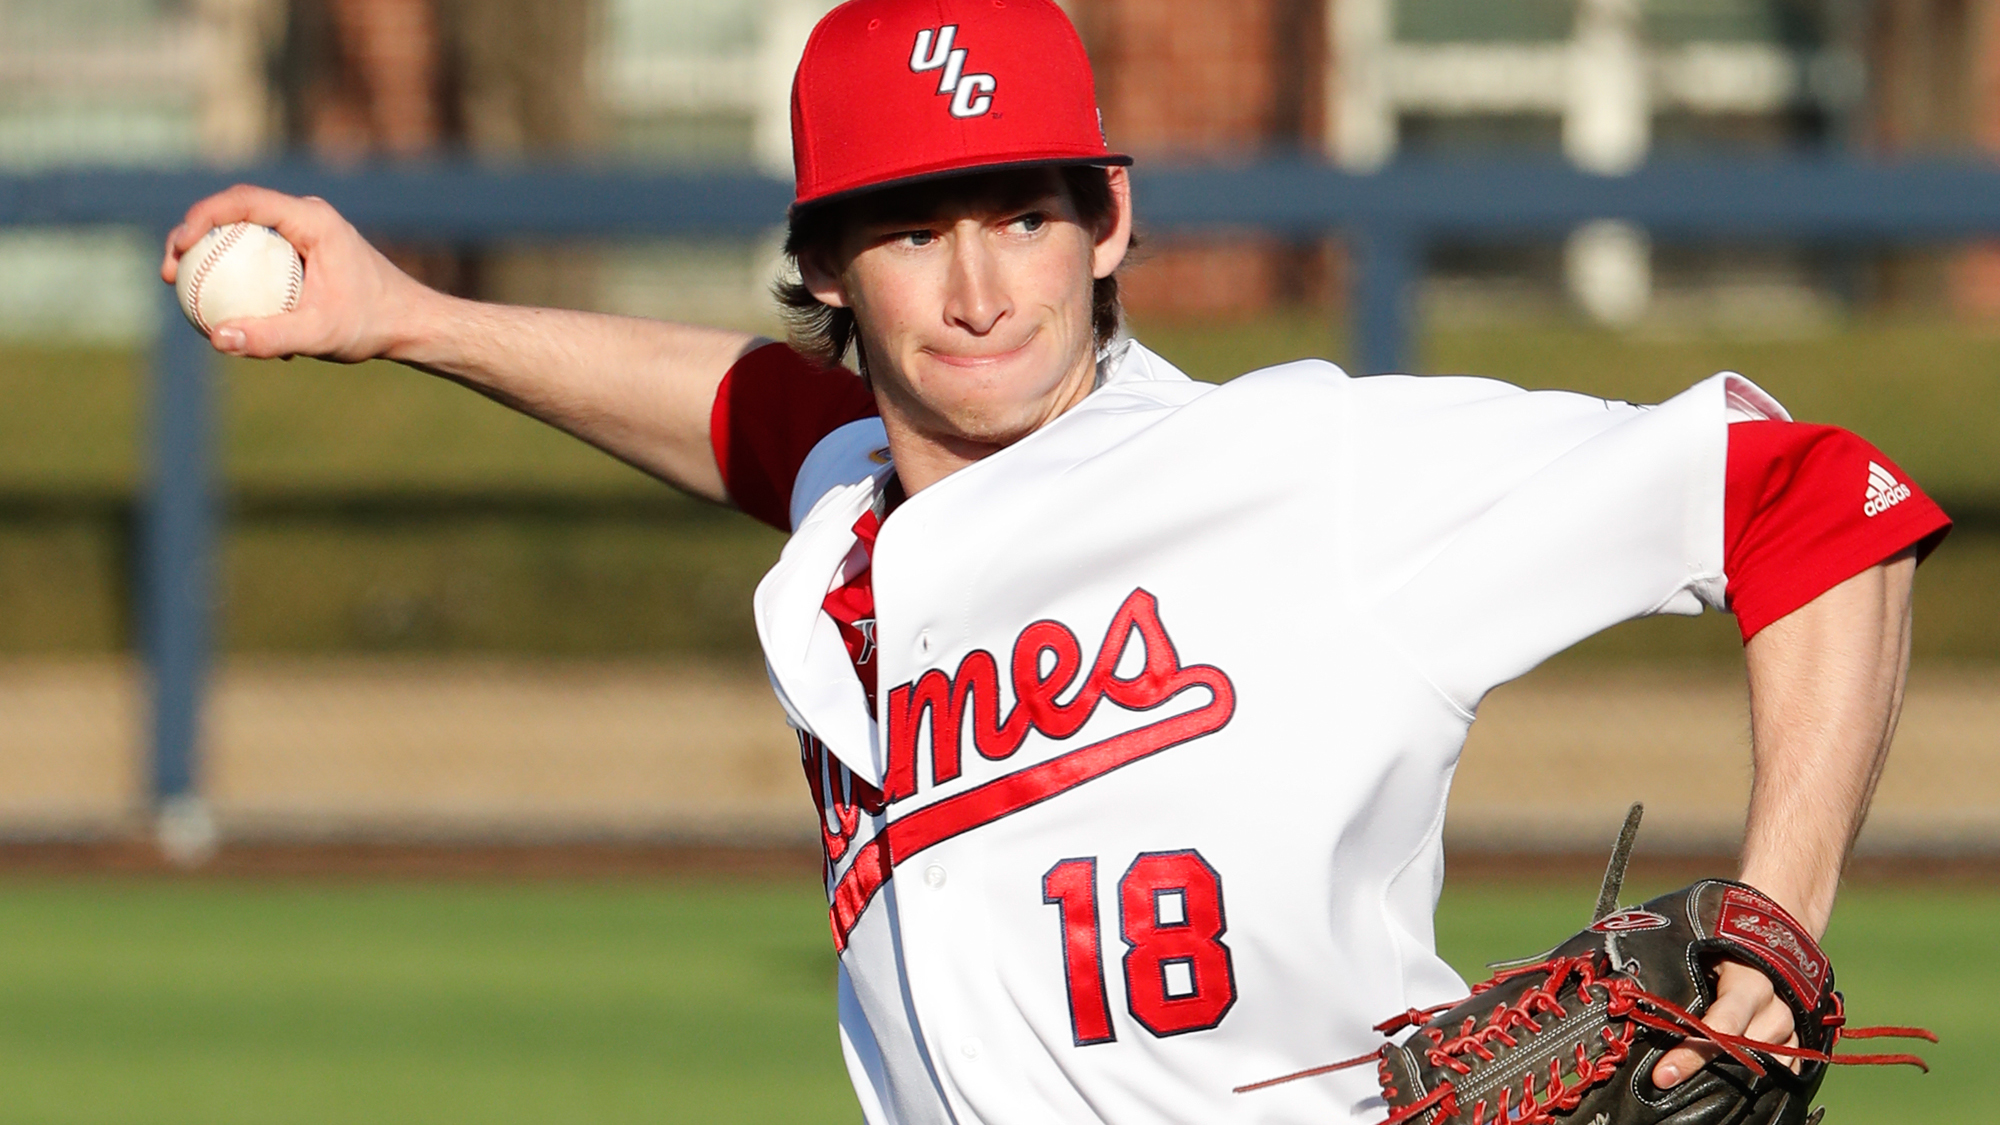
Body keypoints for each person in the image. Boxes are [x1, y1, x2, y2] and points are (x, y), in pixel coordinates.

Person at [161, 1, 1950, 1122]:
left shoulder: (1296, 469)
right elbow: (746, 423)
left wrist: (1777, 931)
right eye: (915, 230)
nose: (982, 285)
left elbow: (1813, 498)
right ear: (826, 274)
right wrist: (407, 319)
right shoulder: (857, 500)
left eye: (1027, 213)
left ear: (1113, 223)